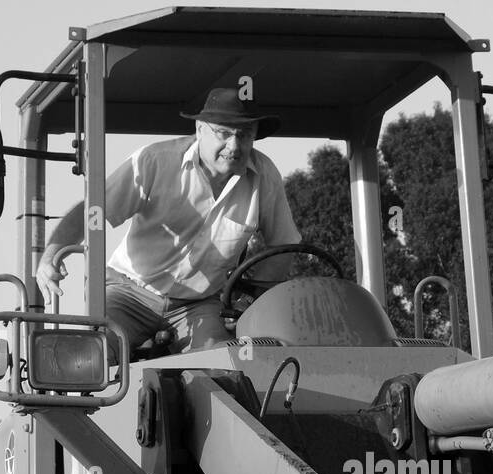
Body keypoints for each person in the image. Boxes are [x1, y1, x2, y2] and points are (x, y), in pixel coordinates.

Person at [36, 87, 301, 359]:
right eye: (224, 133)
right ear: (200, 129)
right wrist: (50, 255)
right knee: (94, 356)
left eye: (244, 135)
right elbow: (92, 210)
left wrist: (250, 298)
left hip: (199, 303)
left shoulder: (264, 176)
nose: (234, 146)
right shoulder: (154, 162)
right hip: (130, 292)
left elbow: (285, 243)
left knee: (227, 364)